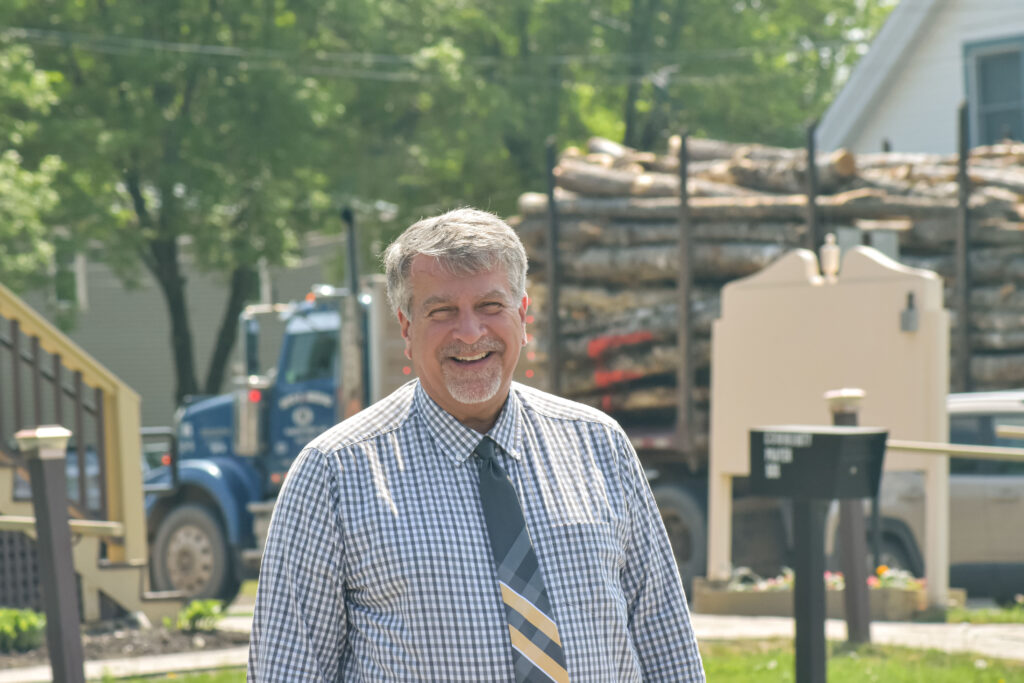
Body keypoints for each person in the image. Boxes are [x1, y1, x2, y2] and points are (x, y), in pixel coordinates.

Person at [248, 207, 705, 681]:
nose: (470, 333)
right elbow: (288, 670)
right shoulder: (333, 474)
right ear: (406, 328)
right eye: (442, 312)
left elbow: (664, 644)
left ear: (523, 315)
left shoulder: (600, 445)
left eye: (491, 307)